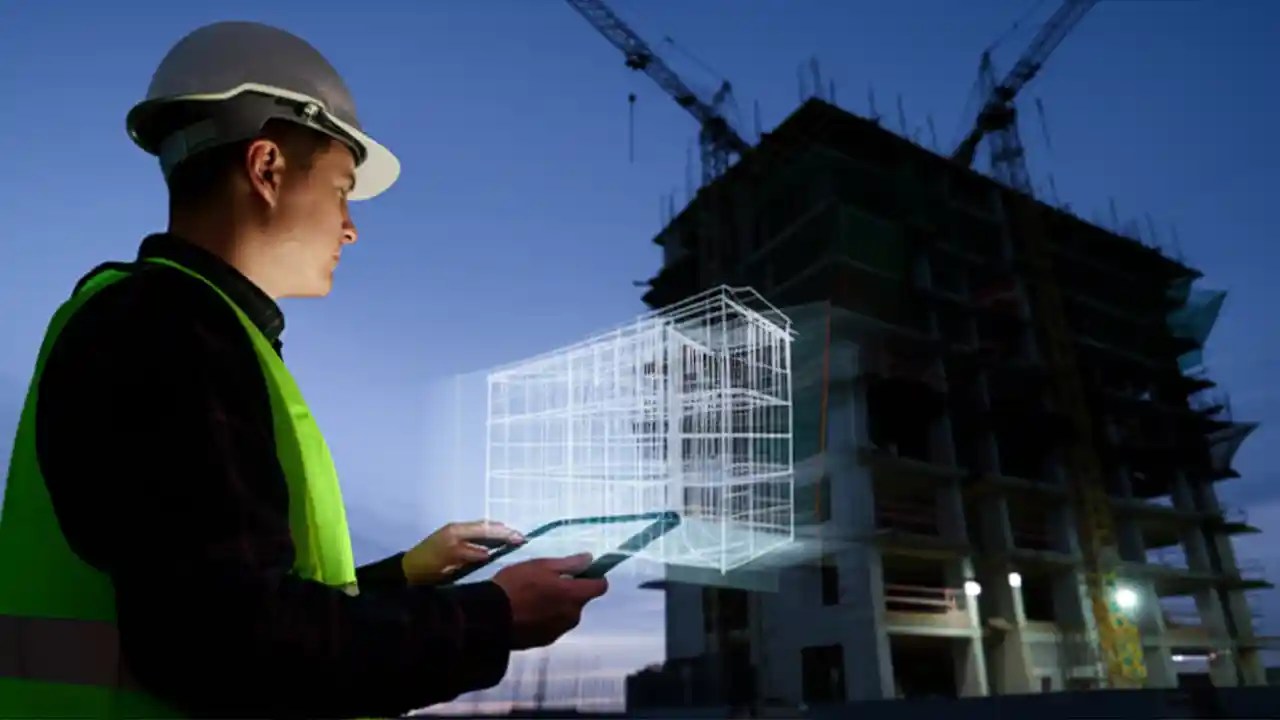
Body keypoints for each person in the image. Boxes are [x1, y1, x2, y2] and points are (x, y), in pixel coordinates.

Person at [0, 20, 608, 719]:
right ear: (266, 170)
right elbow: (230, 644)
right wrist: (493, 619)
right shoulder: (165, 332)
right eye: (343, 188)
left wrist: (409, 573)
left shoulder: (169, 323)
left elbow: (220, 597)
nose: (351, 226)